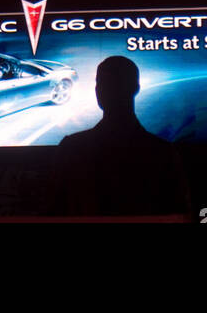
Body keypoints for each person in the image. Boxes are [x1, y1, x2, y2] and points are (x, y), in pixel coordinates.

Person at [55, 56, 191, 218]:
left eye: (109, 83)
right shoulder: (162, 153)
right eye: (102, 82)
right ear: (136, 88)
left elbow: (55, 210)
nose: (103, 89)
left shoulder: (72, 149)